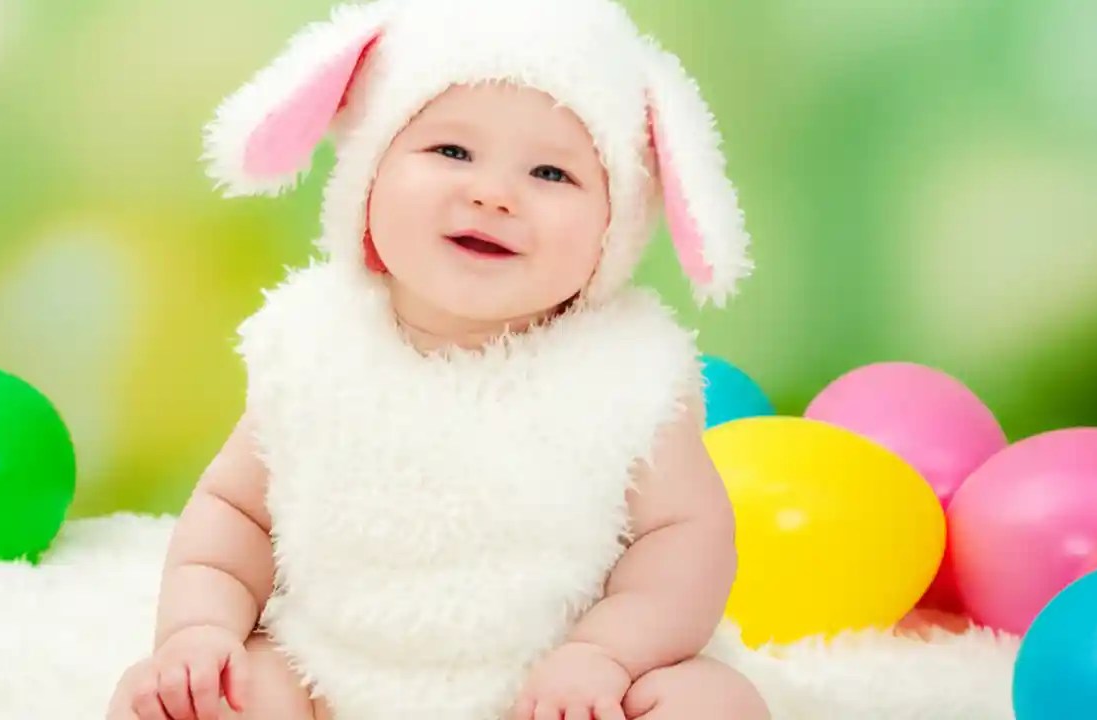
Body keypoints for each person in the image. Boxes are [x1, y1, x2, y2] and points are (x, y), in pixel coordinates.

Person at [107, 0, 767, 718]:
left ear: (615, 225)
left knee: (711, 703)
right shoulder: (315, 343)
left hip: (557, 689)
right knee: (169, 702)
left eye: (551, 172)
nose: (491, 193)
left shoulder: (628, 378)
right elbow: (235, 515)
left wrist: (604, 654)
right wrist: (200, 630)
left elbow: (684, 541)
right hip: (327, 676)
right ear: (368, 179)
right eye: (451, 151)